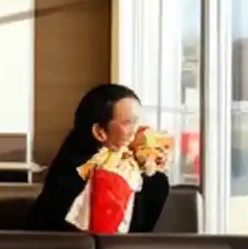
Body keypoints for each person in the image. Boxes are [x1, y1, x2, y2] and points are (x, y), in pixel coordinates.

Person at [29, 83, 170, 232]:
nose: (139, 131)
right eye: (129, 122)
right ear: (100, 131)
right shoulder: (72, 177)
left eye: (138, 122)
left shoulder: (153, 182)